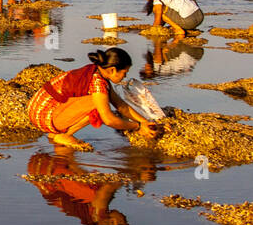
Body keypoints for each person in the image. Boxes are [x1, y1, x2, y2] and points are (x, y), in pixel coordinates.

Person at [26, 48, 161, 150]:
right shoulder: (98, 84)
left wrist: (145, 122)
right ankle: (64, 134)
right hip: (42, 115)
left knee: (102, 101)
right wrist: (137, 127)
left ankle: (56, 133)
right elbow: (108, 119)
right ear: (113, 70)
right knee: (99, 104)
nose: (125, 77)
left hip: (42, 110)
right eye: (124, 73)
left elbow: (121, 106)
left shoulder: (98, 73)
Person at [139, 0, 204, 36]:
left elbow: (158, 18)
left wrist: (154, 29)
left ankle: (178, 29)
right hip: (200, 17)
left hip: (189, 22)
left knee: (157, 10)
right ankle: (194, 12)